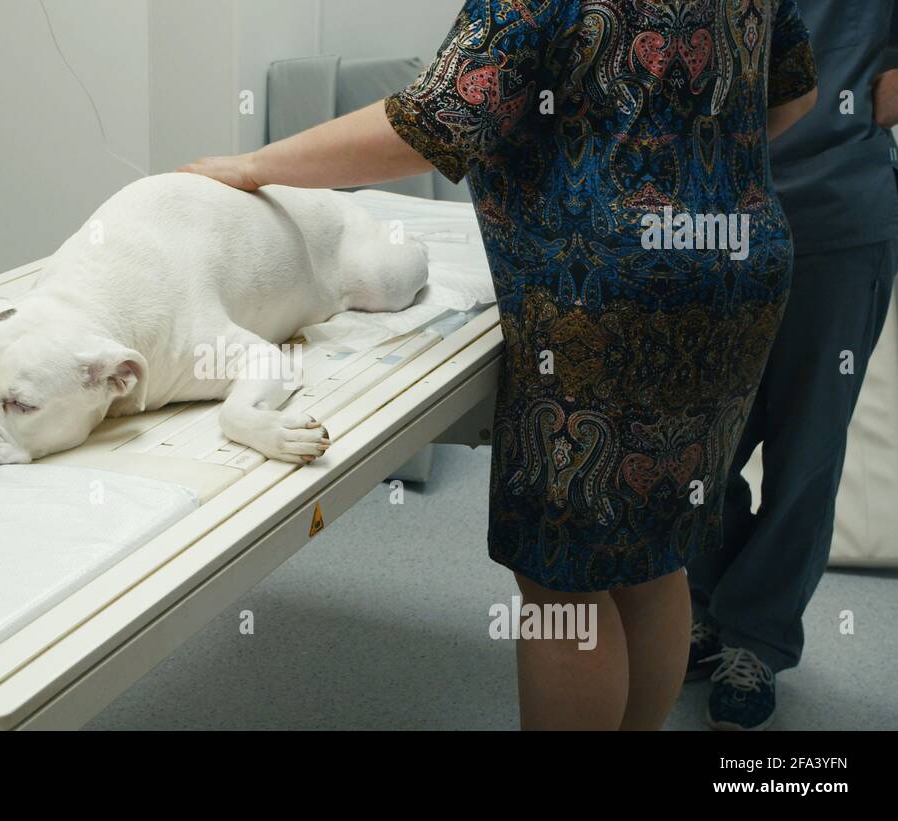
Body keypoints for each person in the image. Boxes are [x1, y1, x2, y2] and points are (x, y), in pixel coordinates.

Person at [181, 0, 817, 729]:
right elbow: (793, 91)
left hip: (607, 293)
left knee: (562, 584)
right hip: (737, 263)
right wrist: (687, 167)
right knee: (656, 550)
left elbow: (436, 120)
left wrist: (253, 165)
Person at [686, 1, 898, 731]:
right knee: (695, 446)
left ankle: (756, 638)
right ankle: (710, 606)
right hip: (707, 217)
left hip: (835, 222)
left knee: (806, 453)